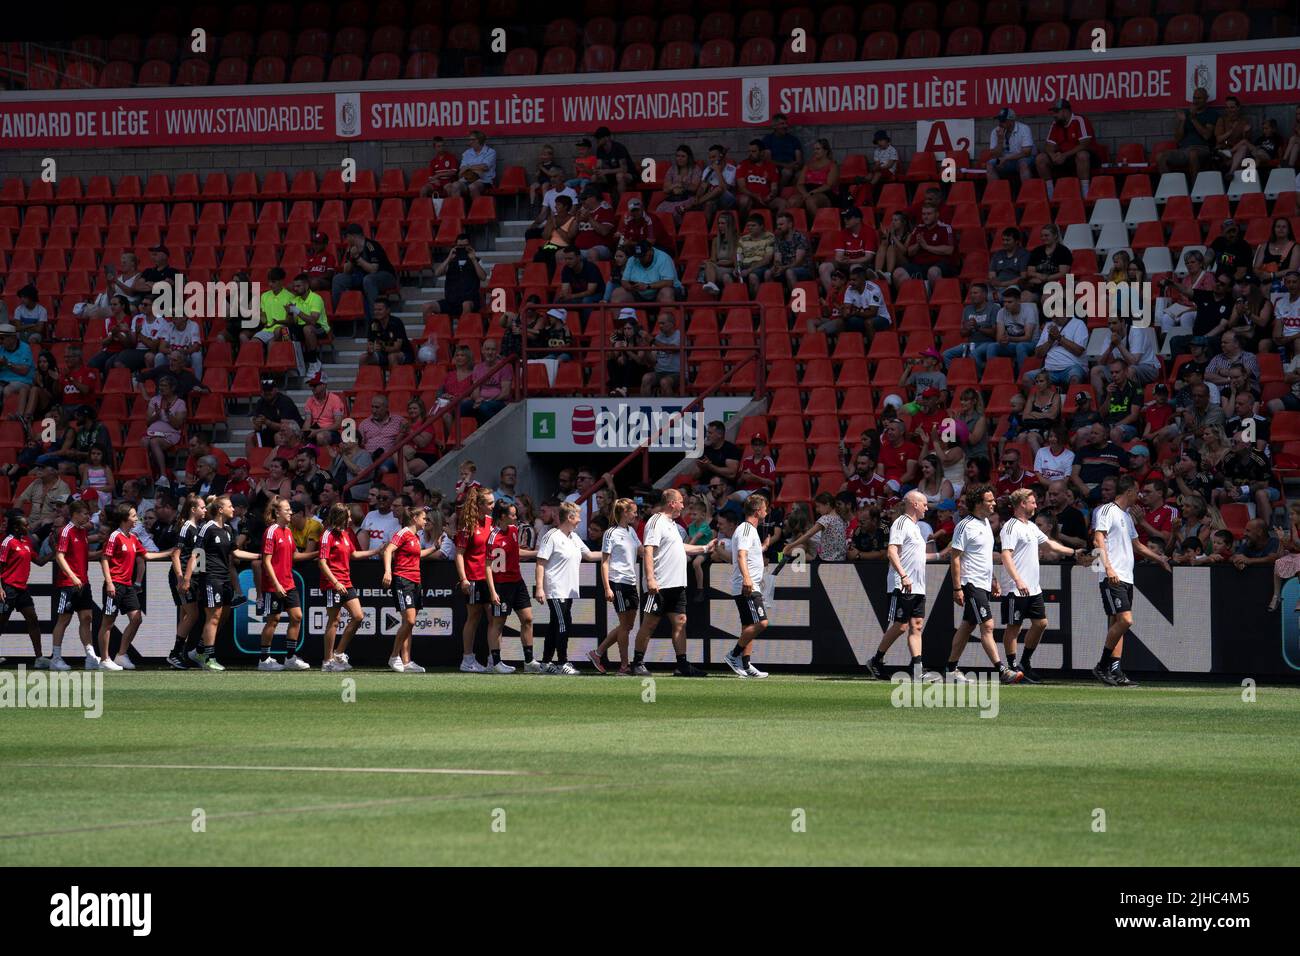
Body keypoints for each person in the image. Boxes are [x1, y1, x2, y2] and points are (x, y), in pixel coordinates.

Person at [1092, 477, 1172, 686]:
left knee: (1118, 623)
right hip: (1113, 574)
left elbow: (1137, 545)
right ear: (1128, 491)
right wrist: (1108, 567)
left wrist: (1159, 558)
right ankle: (1102, 666)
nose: (1140, 496)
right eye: (1137, 491)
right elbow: (1098, 539)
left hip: (1126, 575)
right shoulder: (1106, 511)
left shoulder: (1126, 517)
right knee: (1125, 620)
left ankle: (1116, 671)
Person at [998, 489, 1084, 683]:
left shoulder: (1030, 526)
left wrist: (1074, 553)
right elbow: (1005, 555)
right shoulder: (1011, 527)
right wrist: (1018, 580)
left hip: (1033, 587)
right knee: (1014, 627)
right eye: (1033, 502)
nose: (1036, 505)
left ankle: (1024, 663)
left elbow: (1050, 546)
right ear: (1022, 504)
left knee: (1041, 623)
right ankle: (1011, 670)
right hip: (1014, 587)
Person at [941, 485, 1022, 684]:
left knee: (967, 625)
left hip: (983, 582)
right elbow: (956, 558)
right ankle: (1002, 670)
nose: (994, 503)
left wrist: (993, 579)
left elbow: (983, 557)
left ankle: (951, 670)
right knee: (987, 625)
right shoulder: (964, 526)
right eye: (989, 500)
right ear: (978, 503)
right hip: (970, 582)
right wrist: (957, 587)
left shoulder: (985, 523)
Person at [630, 489, 711, 677]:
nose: (683, 506)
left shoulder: (672, 525)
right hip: (659, 584)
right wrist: (650, 578)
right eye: (681, 502)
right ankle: (637, 663)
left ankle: (682, 665)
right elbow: (648, 550)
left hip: (676, 584)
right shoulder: (656, 521)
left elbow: (680, 547)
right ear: (672, 503)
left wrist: (706, 547)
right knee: (649, 624)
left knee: (680, 621)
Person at [96, 503, 175, 671]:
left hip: (127, 585)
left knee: (136, 619)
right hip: (115, 584)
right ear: (125, 519)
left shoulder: (133, 538)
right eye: (133, 516)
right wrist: (109, 582)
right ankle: (104, 659)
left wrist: (170, 552)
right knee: (108, 622)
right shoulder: (114, 536)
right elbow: (104, 559)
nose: (136, 519)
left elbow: (146, 555)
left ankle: (121, 655)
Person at [187, 495, 260, 670]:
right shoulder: (207, 528)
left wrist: (260, 556)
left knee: (223, 616)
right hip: (211, 578)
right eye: (230, 506)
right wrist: (188, 579)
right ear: (220, 510)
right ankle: (209, 658)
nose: (233, 509)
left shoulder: (228, 529)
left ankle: (198, 651)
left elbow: (235, 553)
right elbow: (195, 554)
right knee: (213, 617)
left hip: (226, 579)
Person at [705, 494, 772, 679]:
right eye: (765, 508)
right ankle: (734, 655)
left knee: (748, 625)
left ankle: (746, 664)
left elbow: (742, 556)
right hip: (747, 587)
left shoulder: (749, 530)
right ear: (758, 511)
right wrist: (747, 579)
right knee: (761, 623)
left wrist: (763, 549)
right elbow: (741, 556)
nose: (767, 511)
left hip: (751, 584)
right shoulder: (745, 529)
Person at [865, 490, 929, 682]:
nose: (927, 507)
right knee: (901, 626)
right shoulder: (901, 523)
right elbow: (892, 552)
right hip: (902, 585)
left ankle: (918, 669)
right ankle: (876, 660)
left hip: (918, 586)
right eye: (924, 504)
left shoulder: (916, 527)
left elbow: (917, 556)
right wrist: (903, 576)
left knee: (916, 626)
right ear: (915, 504)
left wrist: (942, 554)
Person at [533, 501, 601, 674]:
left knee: (556, 625)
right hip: (555, 589)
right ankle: (562, 662)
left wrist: (612, 552)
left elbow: (590, 555)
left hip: (569, 590)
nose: (579, 520)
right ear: (570, 517)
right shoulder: (552, 536)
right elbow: (540, 563)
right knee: (563, 625)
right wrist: (539, 588)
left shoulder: (574, 537)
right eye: (577, 516)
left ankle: (546, 663)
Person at [381, 505, 445, 673]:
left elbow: (418, 555)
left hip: (416, 581)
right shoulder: (403, 533)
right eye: (424, 518)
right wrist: (388, 571)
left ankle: (406, 661)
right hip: (403, 580)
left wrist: (434, 548)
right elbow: (388, 550)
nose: (426, 521)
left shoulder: (416, 537)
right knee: (409, 620)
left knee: (408, 624)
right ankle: (394, 657)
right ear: (415, 518)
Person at [318, 502, 380, 672]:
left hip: (346, 582)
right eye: (348, 516)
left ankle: (339, 653)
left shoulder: (346, 534)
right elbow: (322, 563)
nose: (351, 519)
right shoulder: (327, 535)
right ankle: (327, 661)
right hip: (333, 584)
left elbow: (353, 554)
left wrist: (375, 551)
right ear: (340, 517)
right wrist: (335, 583)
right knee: (334, 620)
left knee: (358, 616)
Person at [255, 497, 312, 671]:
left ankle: (290, 658)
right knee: (273, 620)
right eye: (287, 510)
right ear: (277, 512)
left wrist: (319, 553)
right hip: (274, 585)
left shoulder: (288, 532)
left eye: (290, 510)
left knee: (297, 617)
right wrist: (276, 584)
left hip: (289, 583)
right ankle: (264, 660)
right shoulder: (271, 531)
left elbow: (295, 556)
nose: (290, 513)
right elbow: (266, 561)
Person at [486, 500, 542, 673]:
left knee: (527, 619)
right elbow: (487, 566)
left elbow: (516, 552)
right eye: (512, 514)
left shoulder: (514, 530)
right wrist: (493, 591)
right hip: (501, 585)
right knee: (498, 623)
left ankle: (529, 661)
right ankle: (496, 663)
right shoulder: (493, 537)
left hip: (517, 581)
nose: (516, 517)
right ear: (503, 516)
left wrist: (536, 552)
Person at [589, 498, 642, 675]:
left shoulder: (632, 531)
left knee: (627, 626)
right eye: (633, 511)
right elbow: (605, 562)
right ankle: (624, 666)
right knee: (624, 625)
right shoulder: (610, 533)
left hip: (631, 582)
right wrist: (607, 587)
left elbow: (642, 551)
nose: (635, 514)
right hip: (617, 581)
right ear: (624, 512)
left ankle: (597, 653)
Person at [455, 486, 504, 673]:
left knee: (495, 618)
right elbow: (459, 554)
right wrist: (464, 579)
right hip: (473, 578)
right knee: (473, 618)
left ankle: (494, 660)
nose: (493, 506)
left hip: (489, 577)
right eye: (490, 503)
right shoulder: (467, 525)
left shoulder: (491, 522)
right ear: (480, 505)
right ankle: (467, 660)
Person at [49, 500, 97, 670]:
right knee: (64, 619)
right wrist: (73, 577)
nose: (88, 516)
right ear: (75, 514)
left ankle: (90, 657)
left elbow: (83, 554)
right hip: (69, 583)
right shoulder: (65, 531)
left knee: (87, 618)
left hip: (84, 583)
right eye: (85, 513)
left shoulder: (82, 532)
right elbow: (59, 557)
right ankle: (56, 658)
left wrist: (99, 552)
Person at [164, 495, 205, 670]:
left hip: (192, 576)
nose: (204, 510)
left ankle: (178, 656)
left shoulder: (198, 528)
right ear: (193, 509)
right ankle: (175, 654)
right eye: (202, 507)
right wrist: (181, 578)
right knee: (193, 614)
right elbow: (175, 554)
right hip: (182, 577)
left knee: (186, 616)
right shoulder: (186, 527)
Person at [0, 513, 43, 666]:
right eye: (25, 525)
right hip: (7, 588)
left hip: (22, 589)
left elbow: (39, 561)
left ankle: (39, 658)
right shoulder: (7, 542)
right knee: (1, 622)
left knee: (33, 619)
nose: (28, 527)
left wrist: (55, 550)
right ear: (16, 528)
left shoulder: (25, 542)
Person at [332, 224, 397, 323]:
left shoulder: (371, 246)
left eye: (347, 237)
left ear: (352, 236)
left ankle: (374, 318)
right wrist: (351, 258)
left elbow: (373, 270)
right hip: (361, 276)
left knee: (369, 280)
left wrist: (358, 257)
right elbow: (346, 271)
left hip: (385, 276)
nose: (346, 239)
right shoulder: (351, 248)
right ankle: (337, 315)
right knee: (338, 279)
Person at [1036, 99, 1093, 198]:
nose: (1054, 115)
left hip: (1081, 157)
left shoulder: (1079, 120)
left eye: (1056, 112)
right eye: (1053, 112)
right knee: (1040, 158)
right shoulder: (1055, 124)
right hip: (1062, 158)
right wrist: (1052, 156)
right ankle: (1050, 195)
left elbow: (1085, 144)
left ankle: (1085, 194)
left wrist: (1064, 155)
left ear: (1065, 111)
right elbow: (1048, 146)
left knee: (1082, 155)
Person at [1158, 87, 1218, 180]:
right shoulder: (1185, 114)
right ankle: (1170, 184)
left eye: (1199, 98)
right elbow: (1177, 139)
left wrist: (1193, 118)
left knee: (1192, 154)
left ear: (1206, 98)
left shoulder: (1211, 114)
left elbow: (1207, 136)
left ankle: (1195, 189)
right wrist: (1182, 121)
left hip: (1202, 149)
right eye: (1194, 98)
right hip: (1183, 150)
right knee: (1161, 156)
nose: (1196, 101)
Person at [786, 137, 839, 214]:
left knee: (811, 201)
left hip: (824, 192)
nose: (815, 151)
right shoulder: (808, 164)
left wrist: (811, 193)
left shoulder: (833, 165)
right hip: (807, 191)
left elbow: (829, 185)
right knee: (792, 201)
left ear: (825, 151)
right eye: (814, 149)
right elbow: (800, 183)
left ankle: (815, 225)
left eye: (818, 149)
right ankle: (795, 224)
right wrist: (805, 194)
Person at [735, 138, 782, 220]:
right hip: (750, 197)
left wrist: (771, 195)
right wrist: (755, 196)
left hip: (765, 199)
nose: (750, 154)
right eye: (749, 151)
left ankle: (777, 227)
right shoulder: (743, 165)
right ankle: (743, 226)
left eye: (753, 151)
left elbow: (774, 187)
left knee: (782, 203)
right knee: (744, 200)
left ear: (762, 153)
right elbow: (741, 188)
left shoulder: (771, 167)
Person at [446, 130, 498, 201]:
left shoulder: (490, 152)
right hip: (466, 179)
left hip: (484, 181)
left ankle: (477, 210)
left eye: (472, 140)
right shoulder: (467, 153)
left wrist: (468, 167)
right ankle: (459, 211)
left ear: (479, 140)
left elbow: (484, 167)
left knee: (473, 187)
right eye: (469, 139)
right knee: (455, 186)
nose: (469, 142)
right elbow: (462, 169)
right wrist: (475, 168)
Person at [760, 112, 804, 188]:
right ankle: (779, 192)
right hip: (775, 169)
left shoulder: (794, 140)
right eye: (782, 124)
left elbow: (799, 159)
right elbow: (767, 160)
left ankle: (789, 191)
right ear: (774, 126)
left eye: (786, 123)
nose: (785, 126)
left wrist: (796, 165)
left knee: (801, 174)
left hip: (791, 168)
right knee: (787, 172)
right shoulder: (768, 139)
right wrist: (785, 165)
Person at [592, 126, 636, 197]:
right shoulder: (600, 149)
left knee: (619, 176)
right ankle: (600, 202)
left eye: (599, 138)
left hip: (629, 174)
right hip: (611, 175)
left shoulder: (619, 148)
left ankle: (622, 202)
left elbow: (624, 169)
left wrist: (606, 171)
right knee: (594, 177)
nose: (597, 140)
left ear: (606, 138)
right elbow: (599, 164)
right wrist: (596, 170)